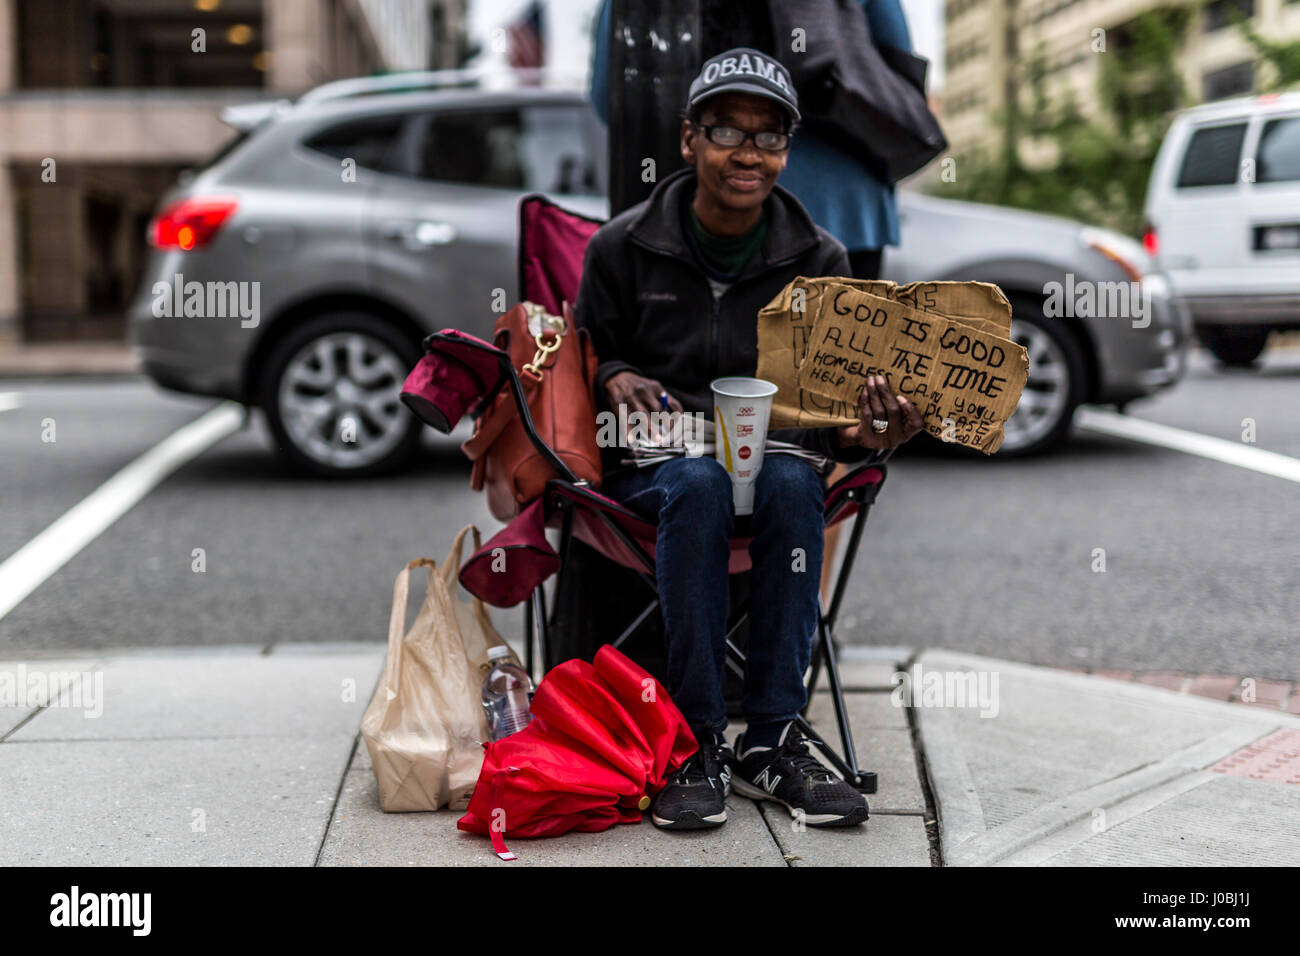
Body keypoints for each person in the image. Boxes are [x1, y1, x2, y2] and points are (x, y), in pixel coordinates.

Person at [574, 47, 923, 831]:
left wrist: (870, 432)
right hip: (657, 470)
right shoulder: (620, 250)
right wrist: (614, 376)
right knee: (697, 483)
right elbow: (587, 362)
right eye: (728, 129)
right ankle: (699, 742)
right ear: (690, 138)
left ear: (787, 152)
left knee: (797, 481)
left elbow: (832, 417)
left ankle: (772, 739)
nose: (750, 152)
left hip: (774, 464)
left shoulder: (820, 261)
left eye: (770, 137)